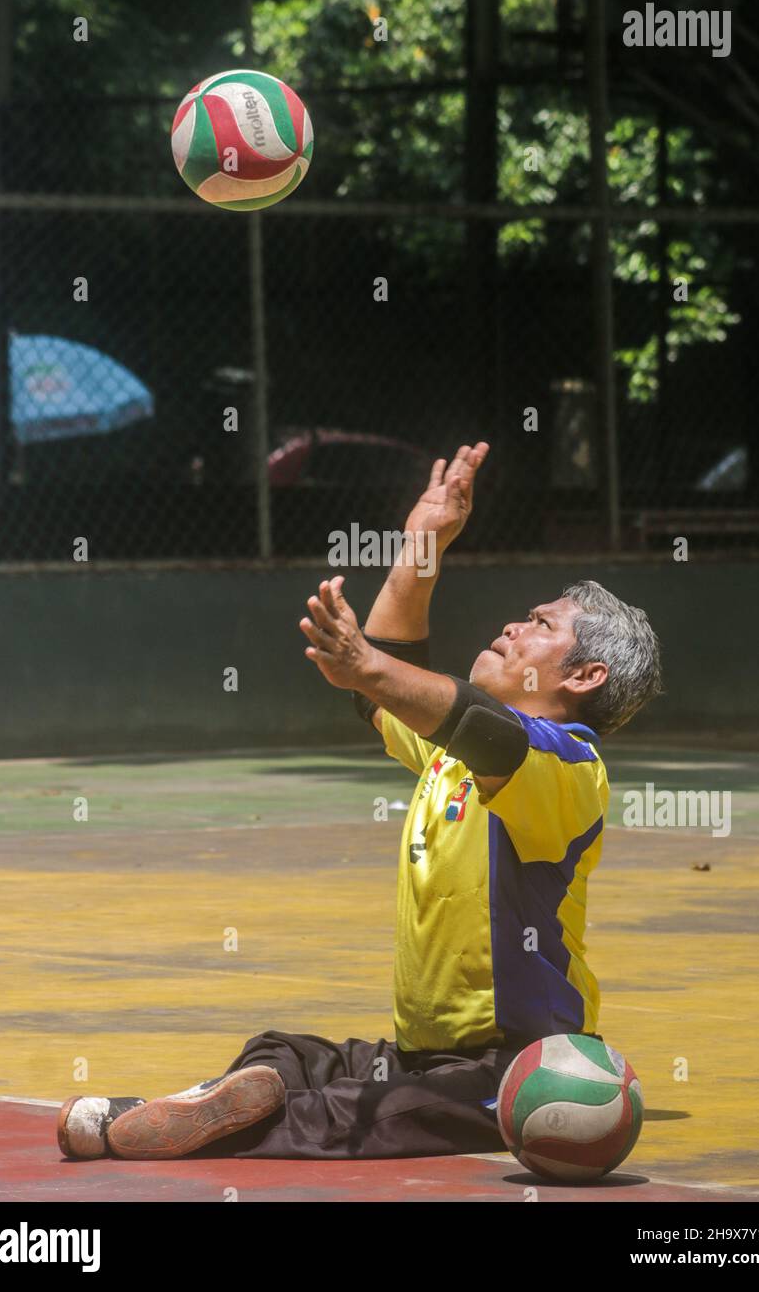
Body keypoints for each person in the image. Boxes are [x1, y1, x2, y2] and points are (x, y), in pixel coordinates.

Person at [58, 442, 662, 1161]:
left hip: (521, 1065)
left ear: (587, 674)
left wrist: (367, 666)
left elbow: (480, 725)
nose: (511, 626)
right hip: (420, 1051)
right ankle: (213, 1100)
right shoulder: (451, 754)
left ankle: (154, 1128)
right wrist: (423, 545)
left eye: (539, 624)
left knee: (358, 1113)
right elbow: (385, 694)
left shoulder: (570, 765)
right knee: (285, 1052)